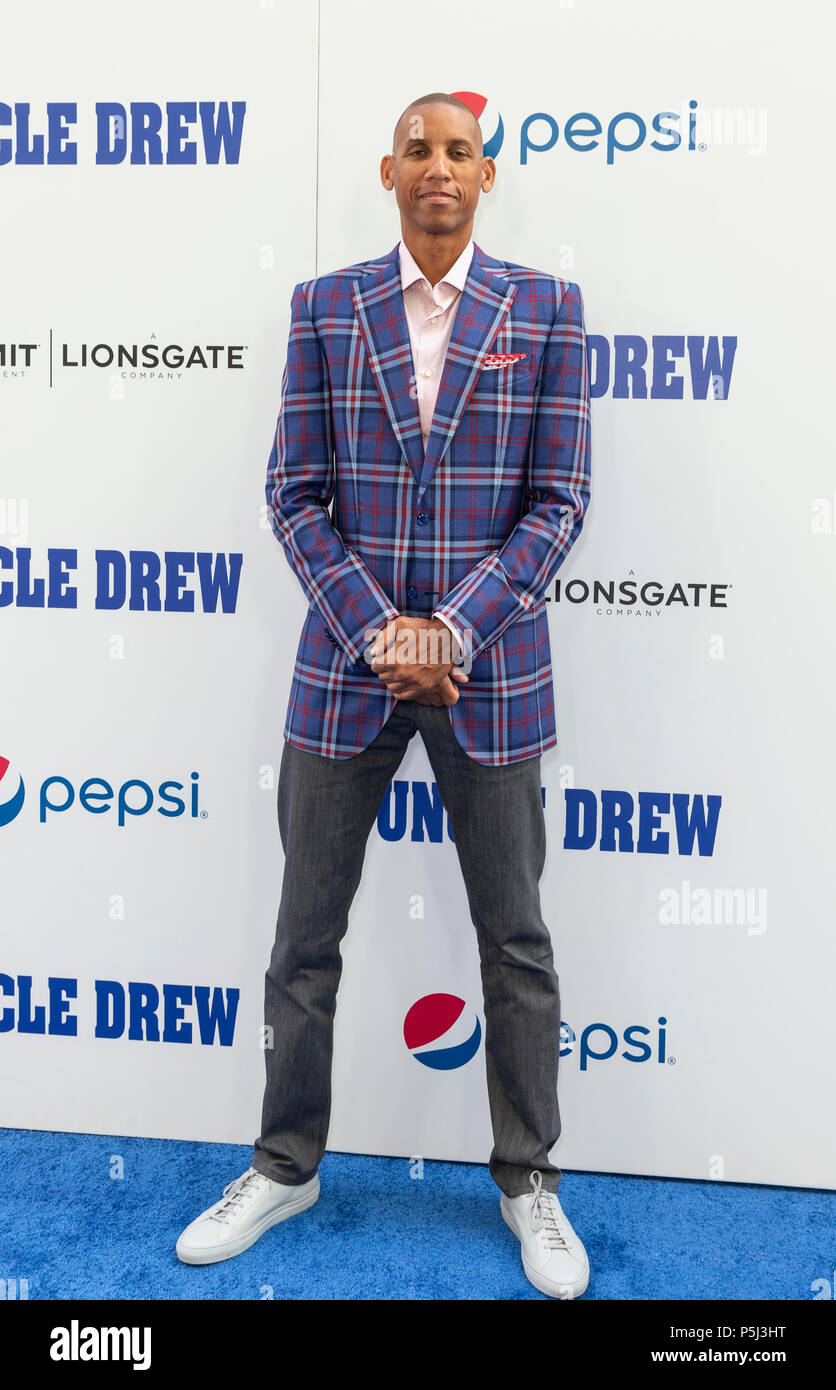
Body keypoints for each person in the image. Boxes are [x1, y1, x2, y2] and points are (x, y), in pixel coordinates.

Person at [176, 91, 592, 1300]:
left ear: (487, 174)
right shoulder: (322, 308)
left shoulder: (548, 310)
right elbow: (293, 493)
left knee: (513, 943)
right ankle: (284, 1162)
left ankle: (528, 1182)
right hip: (344, 676)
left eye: (458, 152)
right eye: (417, 151)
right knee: (303, 939)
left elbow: (558, 500)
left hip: (491, 672)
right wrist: (380, 633)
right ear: (385, 170)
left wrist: (453, 627)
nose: (438, 171)